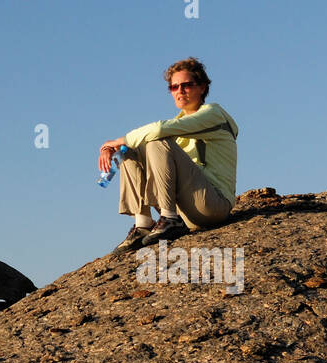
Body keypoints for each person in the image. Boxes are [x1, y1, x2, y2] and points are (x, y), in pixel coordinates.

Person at [101, 57, 239, 254]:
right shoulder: (179, 123)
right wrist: (117, 149)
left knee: (156, 141)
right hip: (188, 210)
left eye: (187, 85)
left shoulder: (213, 114)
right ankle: (143, 224)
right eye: (174, 87)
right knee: (130, 150)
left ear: (202, 87)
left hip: (212, 206)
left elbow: (159, 129)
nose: (180, 91)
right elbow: (152, 138)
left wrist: (118, 140)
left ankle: (169, 218)